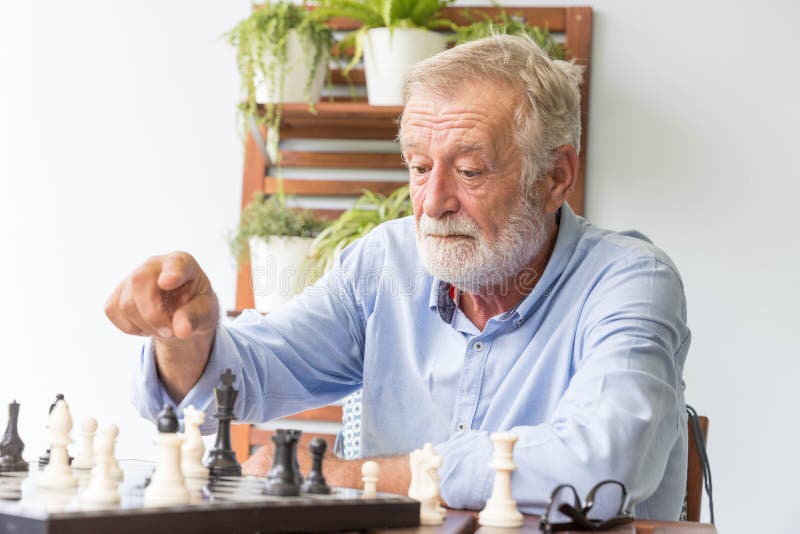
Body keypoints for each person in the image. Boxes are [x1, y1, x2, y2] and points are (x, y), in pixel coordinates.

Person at [106, 35, 690, 520]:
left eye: (469, 170)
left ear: (556, 177)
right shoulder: (384, 263)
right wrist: (186, 335)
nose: (432, 202)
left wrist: (358, 477)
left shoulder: (631, 280)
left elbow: (607, 459)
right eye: (417, 167)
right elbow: (252, 376)